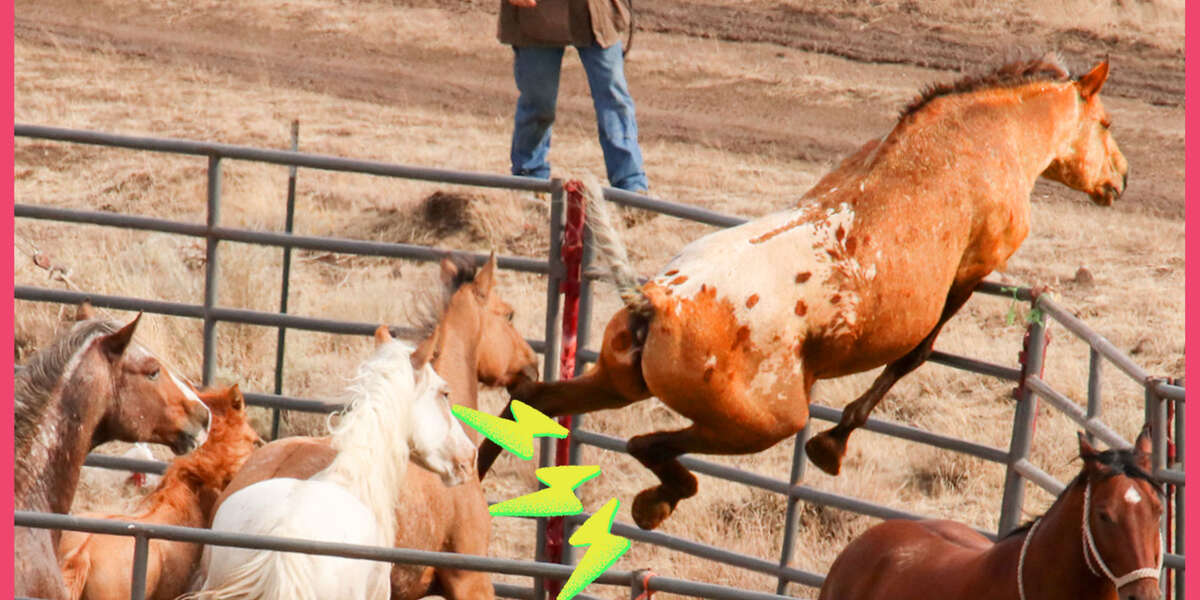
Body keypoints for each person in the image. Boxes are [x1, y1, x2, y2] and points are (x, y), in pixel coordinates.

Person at [498, 0, 649, 193]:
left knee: (613, 100)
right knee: (537, 103)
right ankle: (529, 185)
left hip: (595, 13)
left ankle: (631, 189)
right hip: (534, 16)